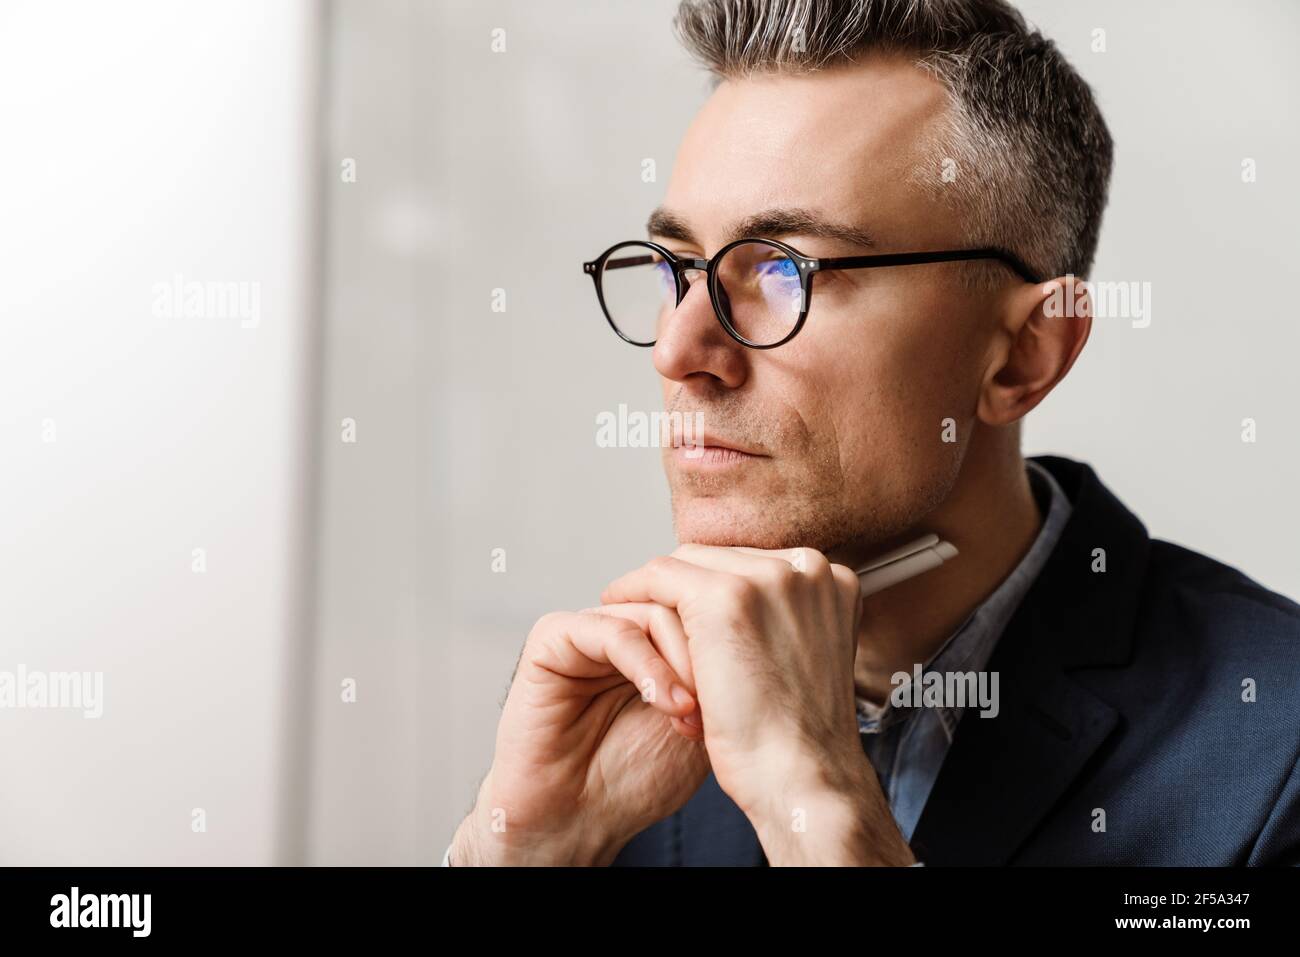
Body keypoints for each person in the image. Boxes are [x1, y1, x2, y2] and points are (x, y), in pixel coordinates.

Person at [442, 0, 1300, 866]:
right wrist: (519, 852)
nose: (679, 349)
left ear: (1021, 357)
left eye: (782, 268)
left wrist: (823, 815)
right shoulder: (639, 750)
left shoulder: (1277, 761)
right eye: (677, 267)